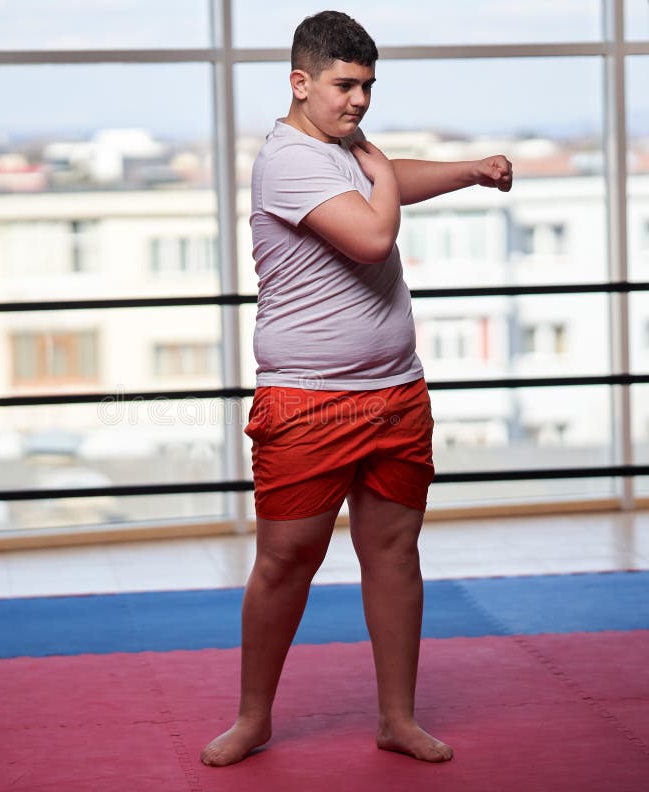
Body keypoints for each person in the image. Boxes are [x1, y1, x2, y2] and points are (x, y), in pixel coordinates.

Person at [201, 10, 512, 768]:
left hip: (396, 393)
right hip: (309, 400)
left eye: (368, 85)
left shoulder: (341, 151)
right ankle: (253, 718)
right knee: (286, 560)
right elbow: (374, 234)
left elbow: (383, 176)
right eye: (344, 85)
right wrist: (384, 175)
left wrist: (470, 170)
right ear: (300, 83)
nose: (360, 100)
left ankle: (397, 719)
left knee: (395, 552)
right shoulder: (287, 160)